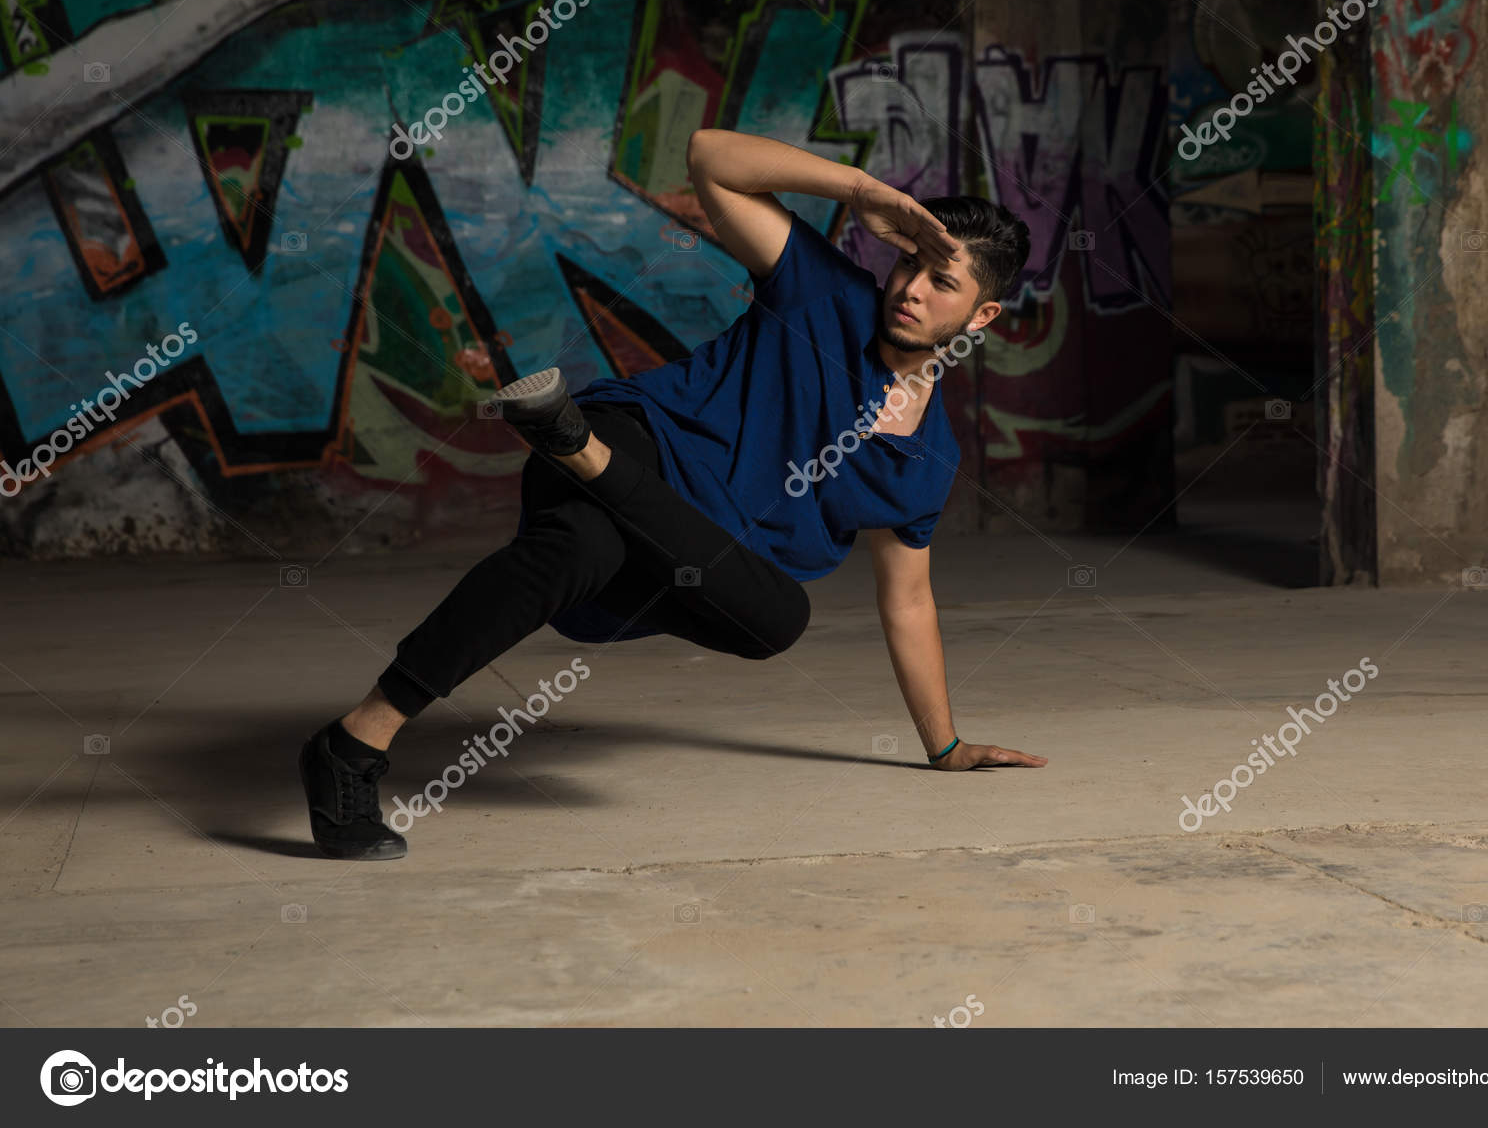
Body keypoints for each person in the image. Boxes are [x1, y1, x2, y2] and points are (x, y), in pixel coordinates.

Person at [299, 127, 1047, 860]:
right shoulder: (822, 290)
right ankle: (353, 747)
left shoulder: (925, 460)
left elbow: (909, 600)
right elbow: (709, 156)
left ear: (981, 317)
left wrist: (944, 745)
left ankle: (577, 452)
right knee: (583, 540)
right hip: (638, 436)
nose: (911, 287)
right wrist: (864, 191)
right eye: (910, 262)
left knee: (780, 616)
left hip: (674, 558)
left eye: (941, 281)